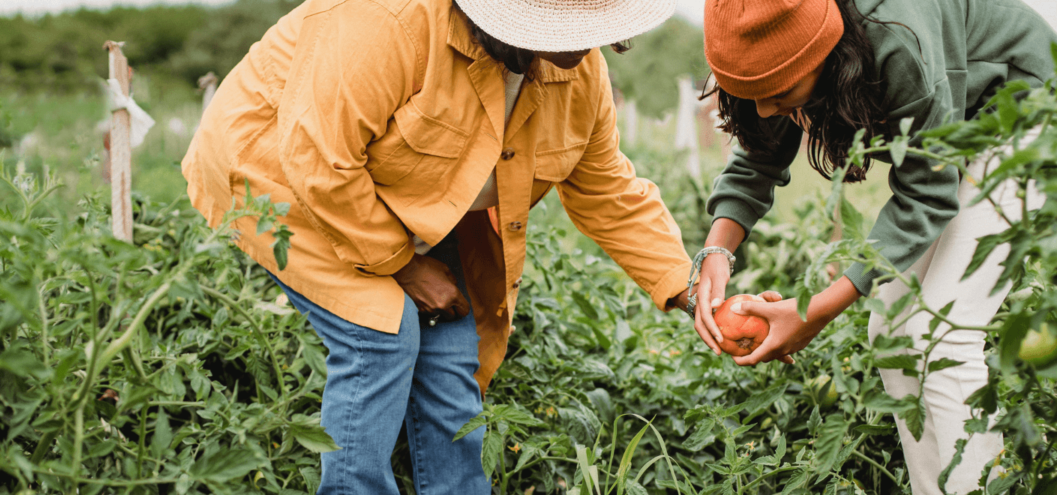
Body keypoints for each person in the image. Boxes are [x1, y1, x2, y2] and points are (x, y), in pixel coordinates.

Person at [181, 0, 717, 492]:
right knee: (381, 336)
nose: (587, 45)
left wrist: (689, 288)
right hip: (279, 178)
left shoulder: (578, 72)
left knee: (453, 345)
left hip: (396, 198)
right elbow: (320, 163)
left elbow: (608, 190)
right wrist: (406, 268)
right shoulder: (387, 23)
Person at [692, 0, 1056, 493]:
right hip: (961, 129)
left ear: (823, 51)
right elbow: (759, 154)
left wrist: (816, 310)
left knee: (939, 334)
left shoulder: (895, 33)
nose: (763, 108)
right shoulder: (788, 43)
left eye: (777, 92)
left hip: (1026, 113)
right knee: (891, 330)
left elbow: (927, 192)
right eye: (749, 93)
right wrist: (717, 253)